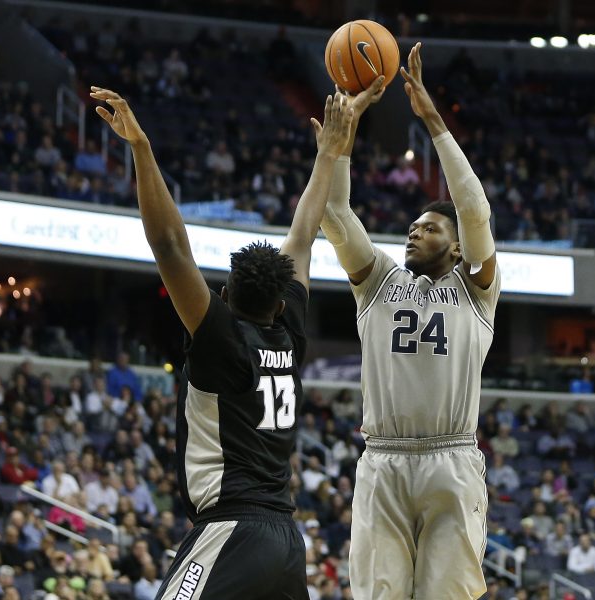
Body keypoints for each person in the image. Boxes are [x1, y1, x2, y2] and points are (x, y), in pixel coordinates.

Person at [90, 80, 360, 598]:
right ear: (280, 303)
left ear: (225, 296)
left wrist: (141, 149)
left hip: (232, 530)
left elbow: (169, 244)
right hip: (286, 540)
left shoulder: (222, 338)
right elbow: (302, 237)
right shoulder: (289, 333)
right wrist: (328, 155)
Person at [319, 42, 499, 599]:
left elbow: (473, 210)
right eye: (414, 226)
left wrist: (434, 123)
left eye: (429, 228)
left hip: (452, 456)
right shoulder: (379, 283)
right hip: (384, 460)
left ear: (454, 248)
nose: (415, 232)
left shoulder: (475, 289)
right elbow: (333, 213)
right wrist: (340, 148)